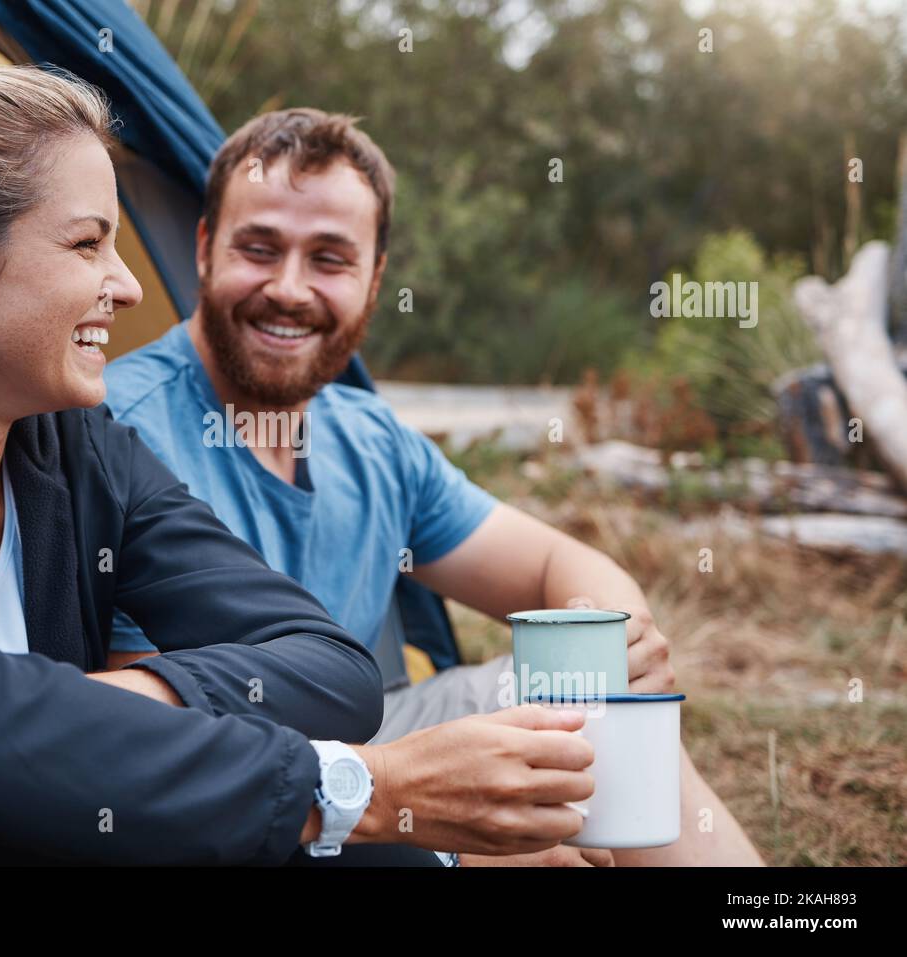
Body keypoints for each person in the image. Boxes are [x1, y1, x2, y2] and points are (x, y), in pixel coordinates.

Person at [0, 65, 596, 866]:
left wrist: (24, 756)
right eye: (88, 243)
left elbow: (332, 667)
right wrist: (358, 789)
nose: (125, 285)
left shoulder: (75, 448)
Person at [101, 108, 763, 867]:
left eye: (329, 259)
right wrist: (467, 843)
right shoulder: (124, 426)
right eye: (259, 248)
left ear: (375, 279)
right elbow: (153, 738)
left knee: (597, 719)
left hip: (375, 734)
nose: (288, 289)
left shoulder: (370, 437)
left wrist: (617, 644)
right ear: (204, 250)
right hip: (234, 785)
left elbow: (553, 565)